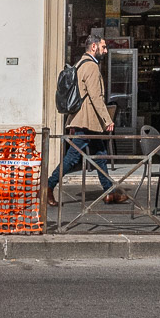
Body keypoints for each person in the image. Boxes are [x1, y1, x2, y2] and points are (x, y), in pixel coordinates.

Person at [47, 35, 128, 207]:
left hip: (86, 120)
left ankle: (109, 192)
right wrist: (107, 119)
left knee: (100, 156)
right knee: (72, 157)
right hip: (86, 121)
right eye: (103, 47)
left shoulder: (80, 63)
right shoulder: (91, 66)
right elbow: (96, 97)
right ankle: (48, 185)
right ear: (93, 47)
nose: (105, 51)